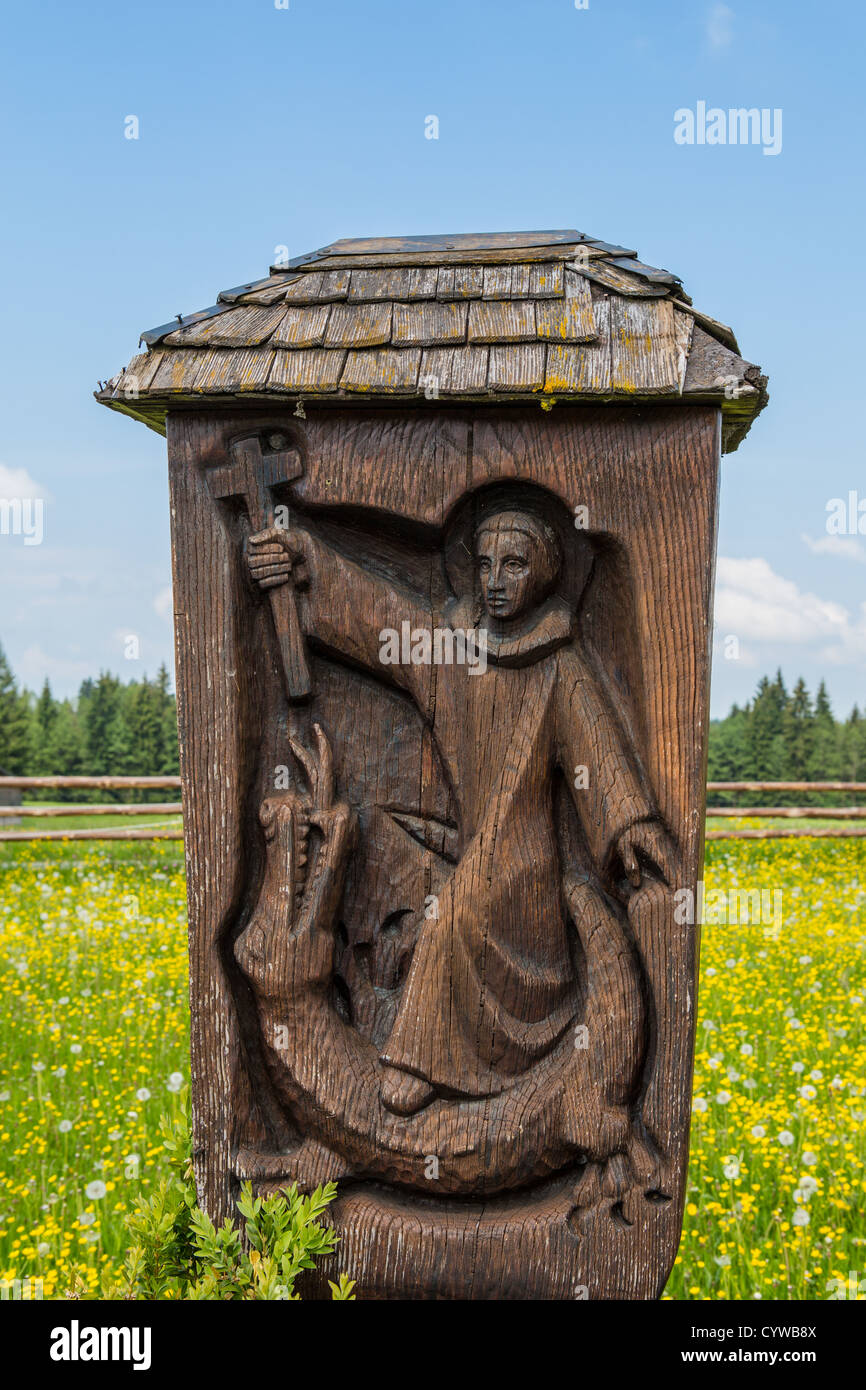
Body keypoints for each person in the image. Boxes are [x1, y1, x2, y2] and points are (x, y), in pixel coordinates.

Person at [248, 502, 675, 1117]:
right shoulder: (452, 654)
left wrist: (629, 825)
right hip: (472, 842)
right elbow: (381, 621)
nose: (496, 581)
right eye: (485, 565)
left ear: (546, 574)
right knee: (443, 898)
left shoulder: (561, 667)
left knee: (452, 915)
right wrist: (307, 563)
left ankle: (421, 1064)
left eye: (514, 565)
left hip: (525, 860)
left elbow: (599, 751)